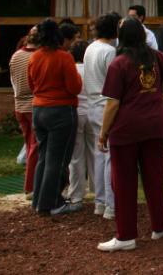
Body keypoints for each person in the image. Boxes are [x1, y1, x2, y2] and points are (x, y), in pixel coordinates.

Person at [97, 17, 163, 252]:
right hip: (155, 126)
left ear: (121, 37)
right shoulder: (156, 57)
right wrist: (162, 101)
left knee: (124, 182)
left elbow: (112, 104)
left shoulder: (119, 63)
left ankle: (126, 236)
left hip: (126, 130)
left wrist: (103, 133)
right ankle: (160, 226)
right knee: (154, 178)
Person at [27, 18, 82, 215]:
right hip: (61, 111)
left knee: (44, 157)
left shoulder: (34, 57)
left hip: (38, 110)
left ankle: (39, 201)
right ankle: (52, 203)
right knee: (57, 160)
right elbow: (75, 87)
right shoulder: (64, 57)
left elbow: (31, 85)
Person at [84, 13, 119, 220]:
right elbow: (114, 82)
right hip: (104, 105)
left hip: (91, 105)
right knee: (110, 156)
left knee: (99, 154)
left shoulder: (90, 48)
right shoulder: (109, 51)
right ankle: (110, 205)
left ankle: (99, 201)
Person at [9, 26, 40, 196]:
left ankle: (31, 184)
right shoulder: (36, 57)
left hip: (19, 106)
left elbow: (14, 82)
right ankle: (30, 187)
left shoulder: (16, 56)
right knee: (35, 147)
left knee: (29, 145)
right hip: (33, 105)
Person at [67, 40, 94, 208]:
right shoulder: (92, 70)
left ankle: (76, 194)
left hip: (76, 112)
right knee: (96, 153)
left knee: (76, 157)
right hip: (93, 113)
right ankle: (98, 190)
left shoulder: (72, 70)